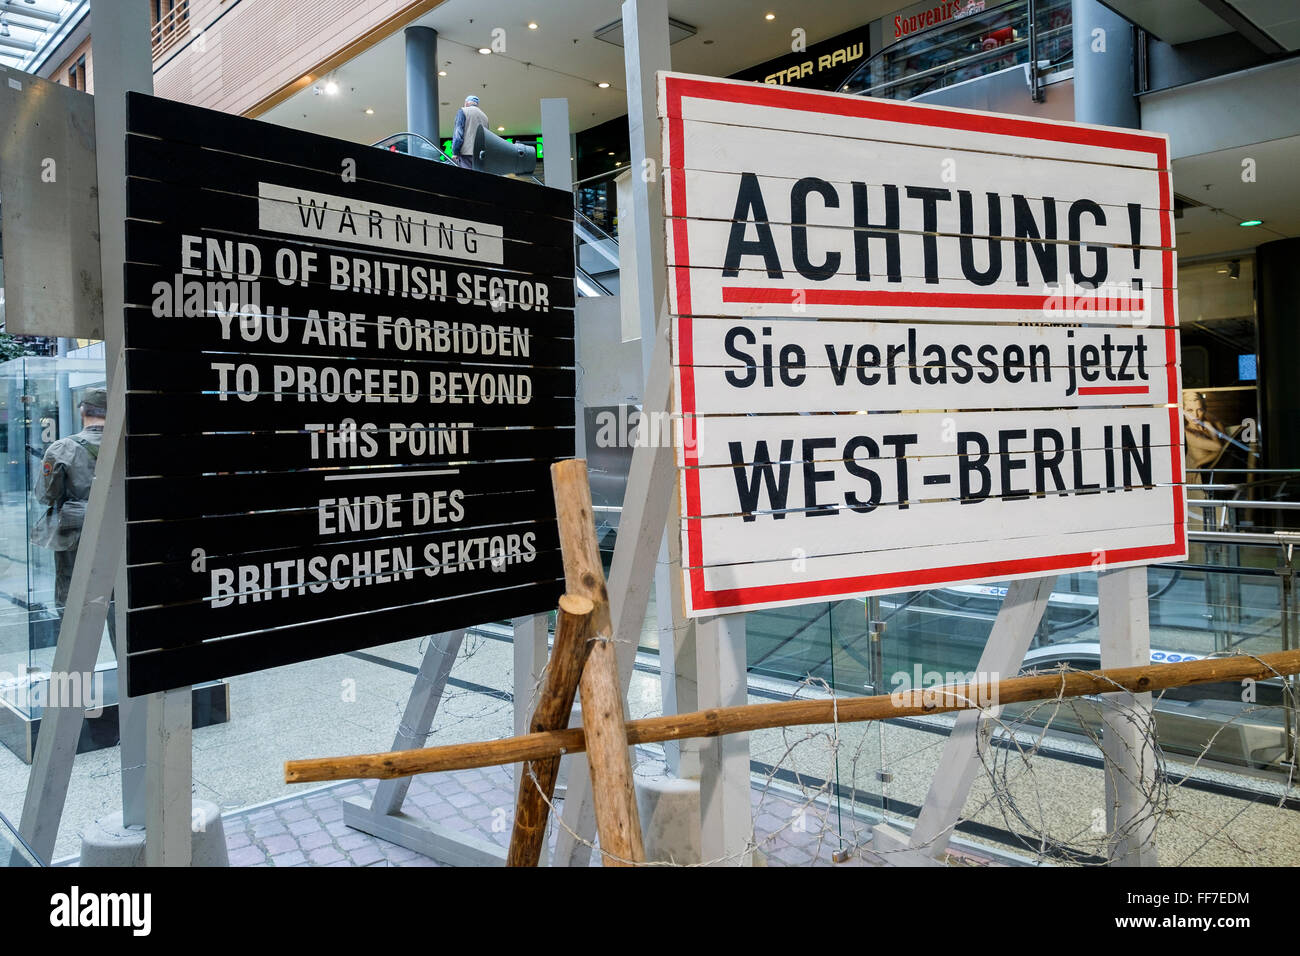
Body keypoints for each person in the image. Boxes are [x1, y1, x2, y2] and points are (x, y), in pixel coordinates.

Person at [33, 387, 110, 633]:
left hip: (75, 536)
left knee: (72, 604)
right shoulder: (126, 444)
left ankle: (75, 667)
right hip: (118, 534)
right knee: (120, 605)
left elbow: (45, 496)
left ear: (83, 411)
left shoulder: (61, 448)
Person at [451, 95, 489, 170]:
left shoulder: (463, 111)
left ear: (466, 103)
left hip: (465, 154)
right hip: (480, 155)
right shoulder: (485, 117)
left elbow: (458, 134)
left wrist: (455, 152)